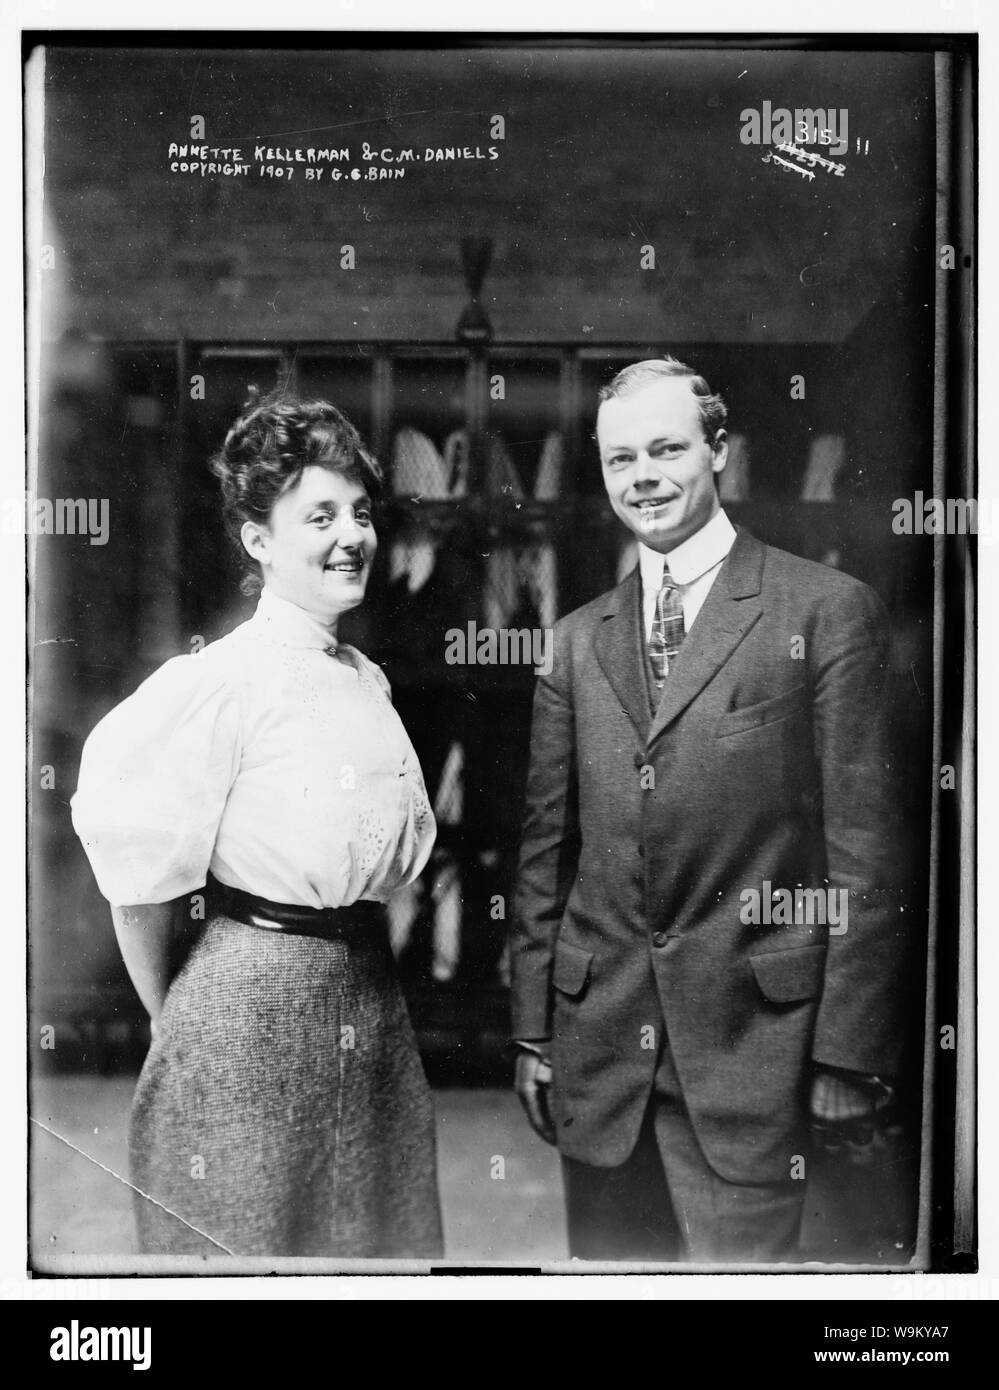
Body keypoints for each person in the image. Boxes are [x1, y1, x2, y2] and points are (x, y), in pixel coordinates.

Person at [510, 357, 906, 1263]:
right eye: (619, 460)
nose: (641, 476)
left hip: (756, 1055)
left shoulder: (825, 611)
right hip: (601, 1055)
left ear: (717, 450)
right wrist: (534, 1030)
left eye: (664, 449)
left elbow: (865, 852)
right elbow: (544, 853)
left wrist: (845, 1052)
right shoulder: (574, 642)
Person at [71, 391, 443, 1259]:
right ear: (259, 541)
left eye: (359, 512)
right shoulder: (220, 683)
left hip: (370, 1002)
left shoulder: (365, 680)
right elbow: (136, 880)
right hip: (247, 1016)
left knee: (373, 1249)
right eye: (319, 515)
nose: (350, 534)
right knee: (244, 1255)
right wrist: (184, 1024)